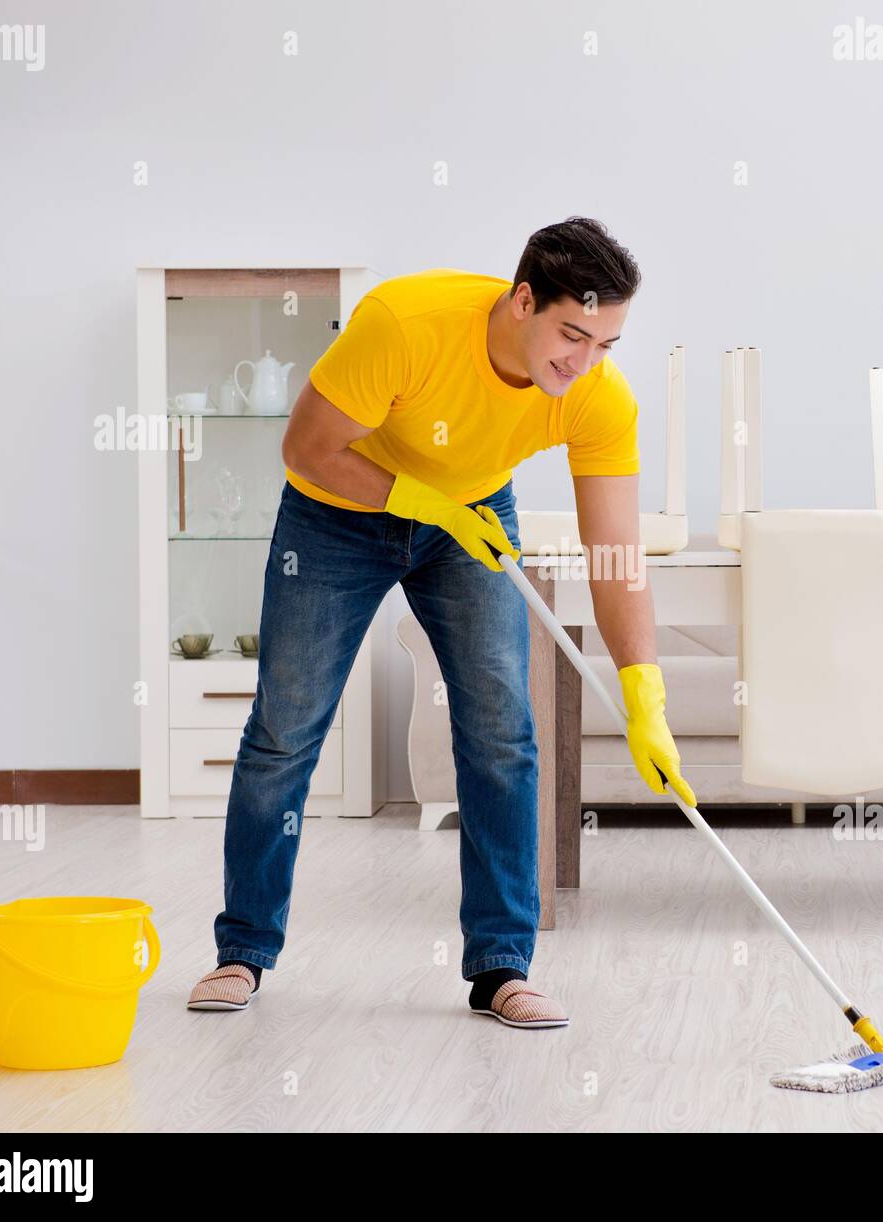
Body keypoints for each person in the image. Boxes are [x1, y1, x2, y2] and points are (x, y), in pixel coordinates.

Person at [187, 217, 695, 1027]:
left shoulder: (599, 397)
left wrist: (645, 693)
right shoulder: (404, 324)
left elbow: (614, 557)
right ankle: (242, 949)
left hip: (472, 516)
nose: (585, 361)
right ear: (523, 300)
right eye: (572, 335)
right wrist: (419, 502)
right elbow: (306, 447)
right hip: (336, 511)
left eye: (606, 344)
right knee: (285, 727)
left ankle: (502, 966)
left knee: (501, 729)